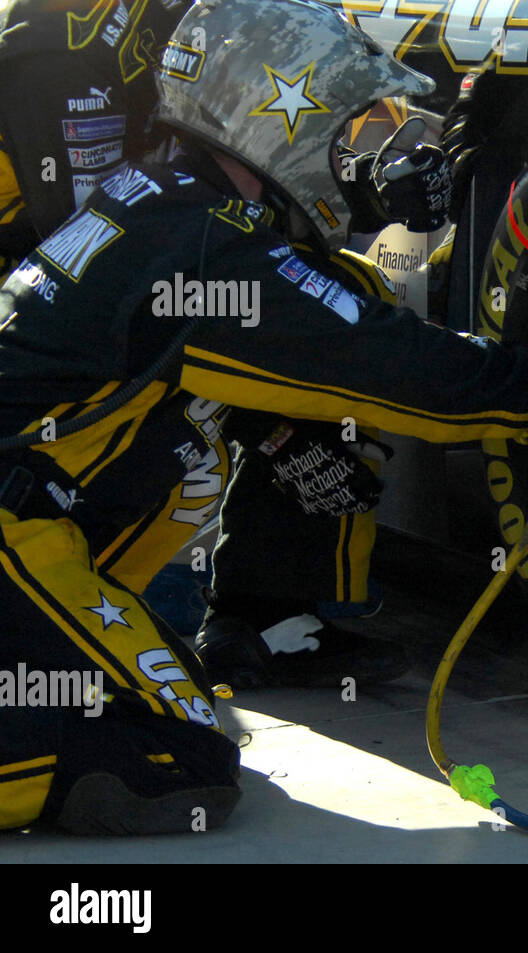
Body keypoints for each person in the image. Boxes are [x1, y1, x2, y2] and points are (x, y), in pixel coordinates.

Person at [0, 0, 528, 833]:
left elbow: (355, 315)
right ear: (268, 117)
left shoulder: (175, 206)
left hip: (33, 521)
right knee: (170, 757)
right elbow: (397, 367)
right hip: (11, 523)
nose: (363, 155)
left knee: (177, 689)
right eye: (349, 129)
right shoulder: (210, 249)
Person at [0, 0, 460, 690]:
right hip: (29, 335)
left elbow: (210, 213)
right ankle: (69, 601)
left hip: (78, 297)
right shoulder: (66, 46)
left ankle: (266, 614)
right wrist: (271, 421)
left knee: (337, 289)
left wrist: (368, 192)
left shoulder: (196, 18)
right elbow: (113, 285)